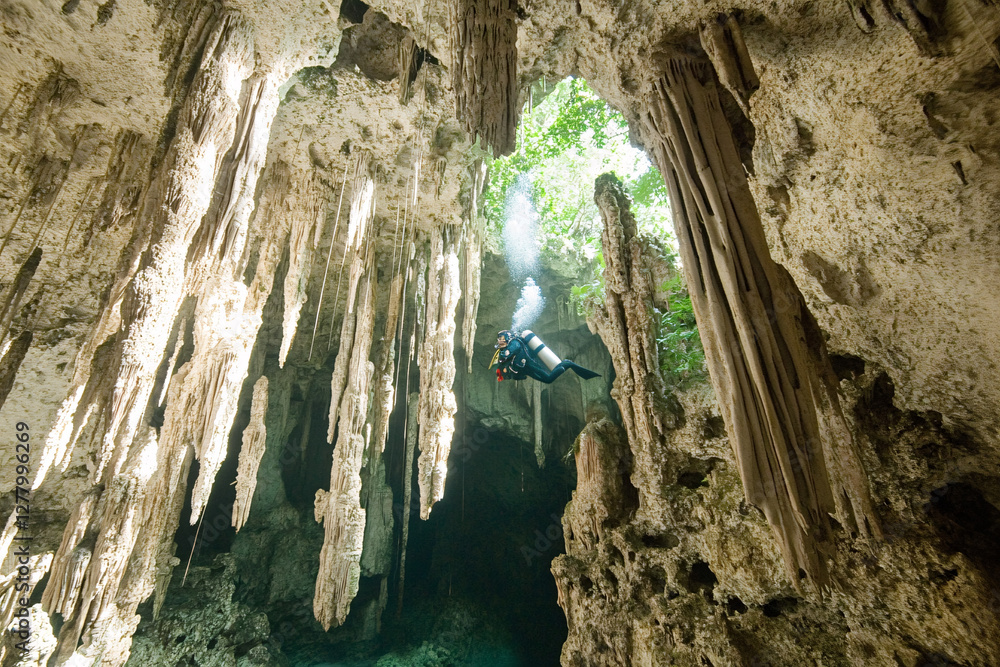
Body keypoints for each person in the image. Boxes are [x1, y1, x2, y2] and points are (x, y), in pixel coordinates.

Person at [491, 330, 600, 384]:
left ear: (506, 336)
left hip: (530, 365)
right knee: (547, 380)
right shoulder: (507, 347)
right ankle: (565, 365)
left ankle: (567, 364)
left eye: (501, 337)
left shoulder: (514, 342)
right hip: (526, 370)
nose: (499, 340)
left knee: (548, 379)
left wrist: (502, 354)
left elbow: (509, 353)